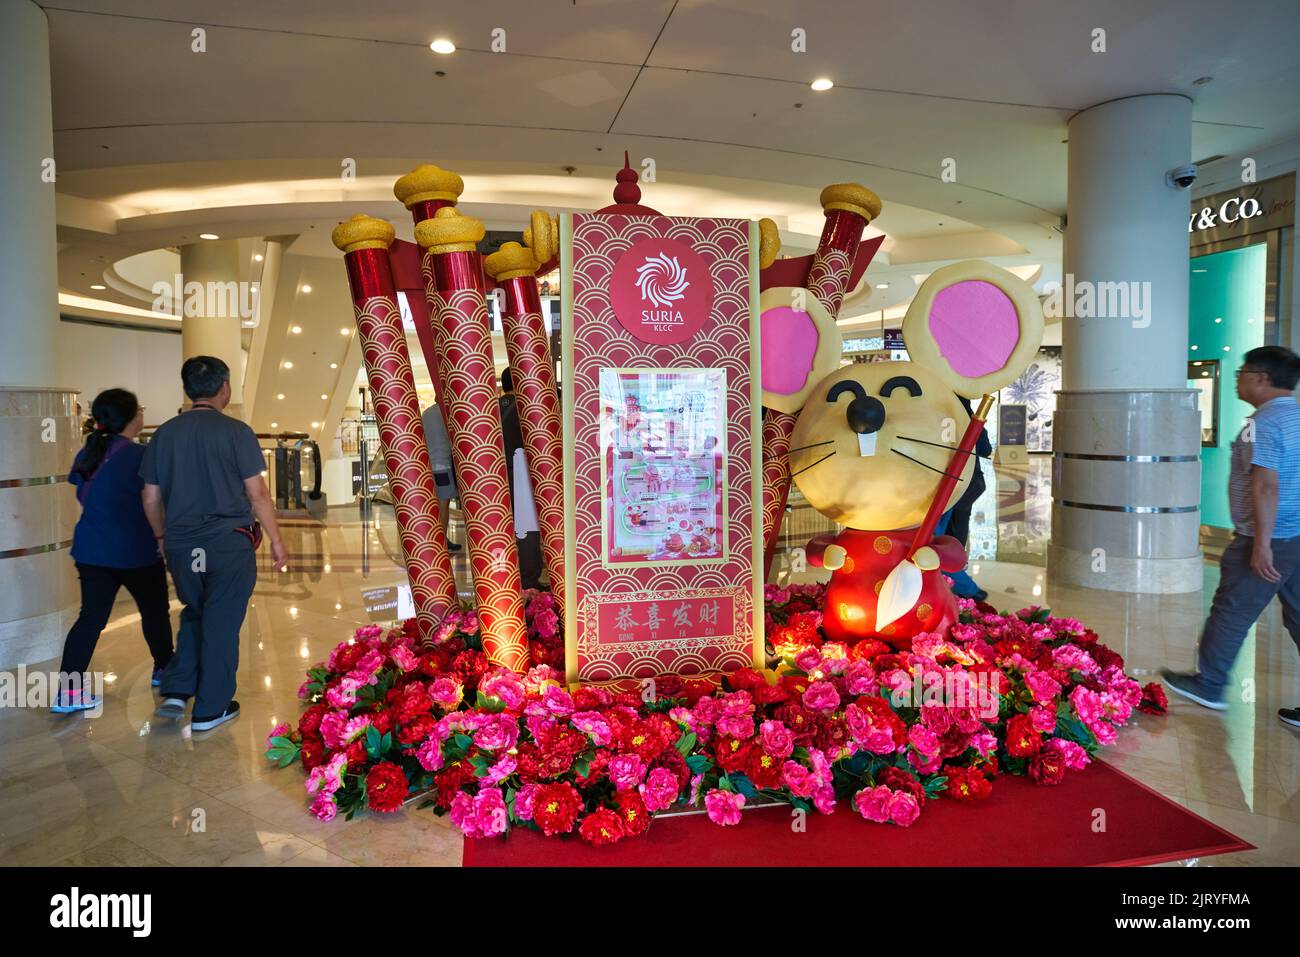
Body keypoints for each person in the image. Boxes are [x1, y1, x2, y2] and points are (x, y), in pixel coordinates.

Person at [141, 356, 288, 732]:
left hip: (183, 546)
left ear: (187, 389)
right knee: (221, 621)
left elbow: (150, 499)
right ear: (224, 388)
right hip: (227, 544)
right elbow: (258, 495)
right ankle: (211, 708)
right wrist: (275, 539)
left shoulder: (164, 435)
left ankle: (177, 689)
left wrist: (161, 538)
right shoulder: (237, 432)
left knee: (196, 610)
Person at [1162, 345, 1300, 727]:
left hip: (1272, 537)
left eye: (1242, 373)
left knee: (1233, 609)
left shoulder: (1265, 423)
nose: (1237, 379)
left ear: (1261, 378)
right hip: (1296, 534)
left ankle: (1209, 683)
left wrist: (1261, 544)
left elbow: (1266, 484)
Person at [51, 389, 174, 713]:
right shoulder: (138, 456)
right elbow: (152, 502)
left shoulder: (89, 452)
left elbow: (85, 495)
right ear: (133, 417)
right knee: (155, 612)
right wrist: (161, 535)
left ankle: (68, 693)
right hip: (135, 551)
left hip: (91, 550)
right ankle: (165, 670)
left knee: (90, 620)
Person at [498, 367, 544, 590]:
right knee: (526, 528)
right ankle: (528, 578)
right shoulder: (525, 408)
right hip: (523, 474)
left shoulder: (492, 407)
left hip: (496, 476)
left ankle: (502, 575)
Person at [420, 399, 461, 551]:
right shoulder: (447, 413)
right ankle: (441, 543)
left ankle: (438, 540)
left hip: (429, 465)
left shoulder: (427, 414)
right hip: (443, 465)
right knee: (443, 505)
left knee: (434, 505)